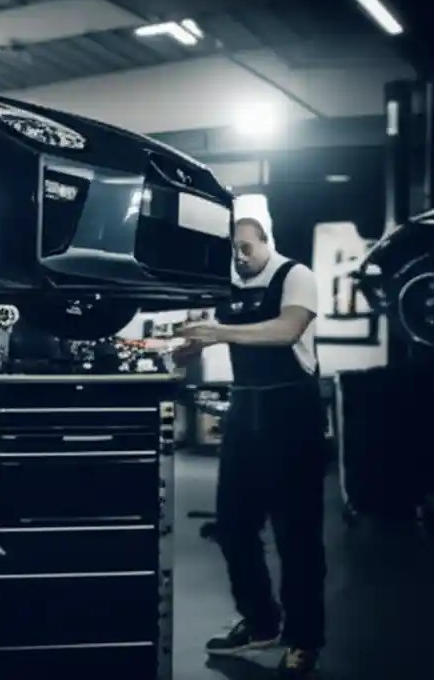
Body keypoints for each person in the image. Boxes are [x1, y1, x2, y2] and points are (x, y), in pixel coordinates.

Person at [172, 217, 327, 677]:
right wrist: (187, 348)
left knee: (297, 534)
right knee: (234, 526)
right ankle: (260, 621)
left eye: (245, 248)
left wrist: (219, 333)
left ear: (265, 241)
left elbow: (286, 330)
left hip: (291, 412)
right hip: (246, 412)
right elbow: (207, 335)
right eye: (233, 251)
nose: (239, 257)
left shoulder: (294, 275)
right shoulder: (229, 287)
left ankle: (304, 638)